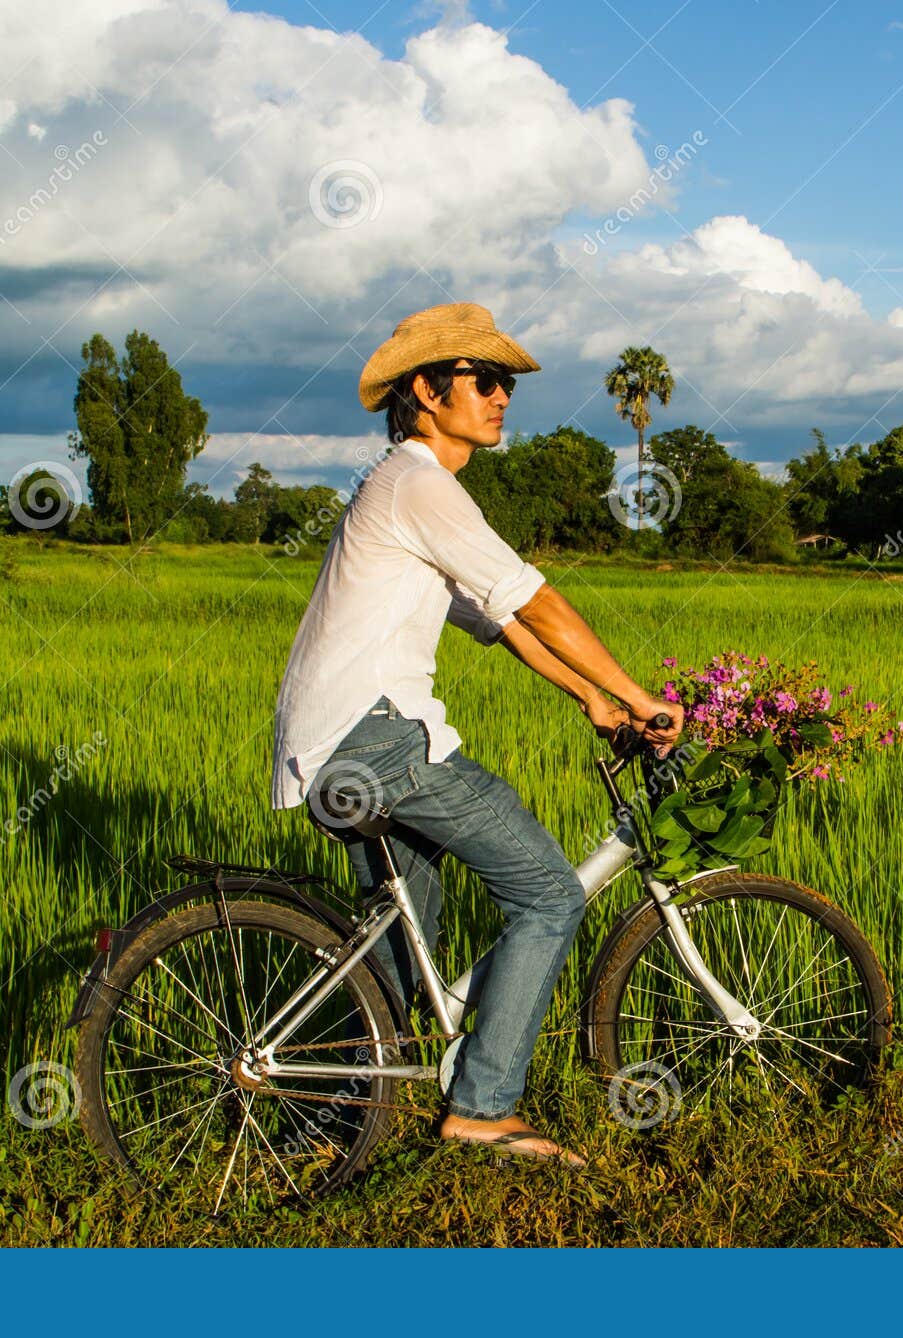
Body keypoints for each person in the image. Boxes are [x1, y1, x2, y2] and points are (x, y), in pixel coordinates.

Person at [270, 301, 683, 1167]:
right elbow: (535, 599)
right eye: (484, 381)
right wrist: (640, 696)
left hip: (333, 749)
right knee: (549, 894)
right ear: (426, 390)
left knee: (395, 946)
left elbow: (498, 621)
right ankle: (485, 1107)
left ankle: (339, 1113)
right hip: (377, 740)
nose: (502, 398)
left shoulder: (403, 491)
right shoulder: (422, 483)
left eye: (506, 385)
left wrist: (590, 699)